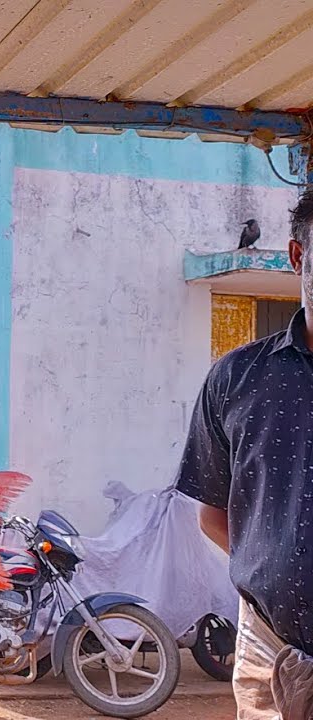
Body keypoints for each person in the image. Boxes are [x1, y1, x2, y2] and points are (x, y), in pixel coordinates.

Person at [176, 187, 313, 720]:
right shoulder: (237, 378)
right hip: (268, 655)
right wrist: (278, 568)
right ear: (298, 256)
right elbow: (213, 514)